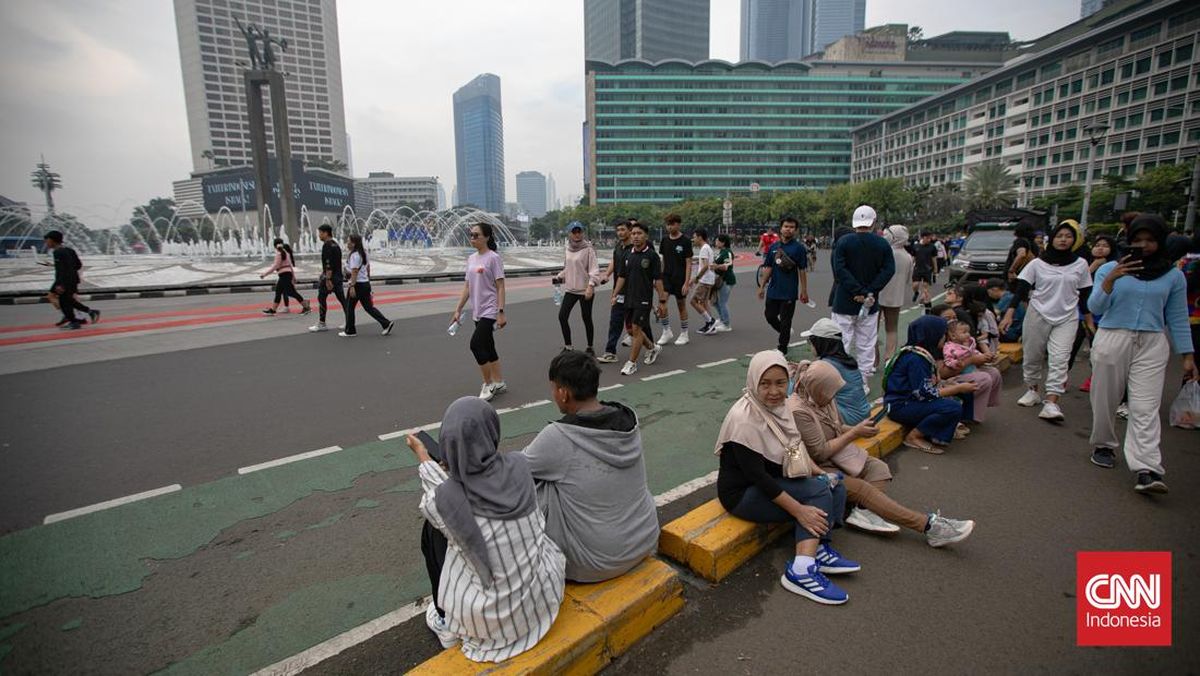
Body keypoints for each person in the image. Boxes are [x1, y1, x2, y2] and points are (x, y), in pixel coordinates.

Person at [408, 397, 566, 661]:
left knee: (433, 531)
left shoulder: (444, 500)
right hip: (542, 597)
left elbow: (440, 492)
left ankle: (446, 624)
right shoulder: (519, 466)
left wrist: (424, 455)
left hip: (493, 623)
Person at [715, 351, 860, 605]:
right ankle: (801, 570)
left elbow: (794, 448)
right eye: (765, 383)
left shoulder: (779, 408)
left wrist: (821, 473)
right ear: (753, 382)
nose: (774, 391)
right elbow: (758, 477)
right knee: (817, 493)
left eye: (780, 383)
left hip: (774, 478)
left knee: (833, 485)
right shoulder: (744, 420)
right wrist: (800, 511)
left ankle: (820, 548)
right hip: (743, 494)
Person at [790, 360, 975, 545]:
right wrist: (854, 433)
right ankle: (928, 526)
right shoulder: (799, 411)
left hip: (838, 457)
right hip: (818, 468)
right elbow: (819, 452)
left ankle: (864, 512)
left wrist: (860, 429)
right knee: (864, 489)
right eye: (830, 392)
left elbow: (837, 427)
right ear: (818, 388)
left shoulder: (824, 399)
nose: (833, 397)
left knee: (878, 468)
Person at [520, 351, 659, 581]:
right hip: (644, 539)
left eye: (554, 388)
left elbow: (513, 470)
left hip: (597, 562)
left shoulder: (559, 436)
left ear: (564, 394)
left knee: (536, 486)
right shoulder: (627, 419)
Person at [1088, 214, 1197, 492]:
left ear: (1161, 242)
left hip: (1152, 342)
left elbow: (1177, 315)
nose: (1144, 246)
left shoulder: (1173, 275)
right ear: (1129, 240)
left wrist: (1187, 354)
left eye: (1150, 241)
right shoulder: (1110, 268)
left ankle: (1146, 467)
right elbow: (1096, 307)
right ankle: (1103, 444)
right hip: (1113, 337)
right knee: (1105, 398)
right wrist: (1110, 279)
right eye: (1138, 240)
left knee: (1145, 406)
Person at [1002, 220, 1092, 423]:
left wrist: (1088, 321)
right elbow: (1021, 289)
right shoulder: (1037, 264)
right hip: (1038, 313)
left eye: (1068, 236)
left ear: (1075, 240)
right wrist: (1009, 313)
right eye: (1059, 236)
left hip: (1067, 317)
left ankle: (1051, 402)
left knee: (1060, 359)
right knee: (1033, 354)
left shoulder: (1081, 264)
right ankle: (1032, 390)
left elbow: (1085, 294)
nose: (1063, 240)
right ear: (1052, 239)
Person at [883, 315, 976, 454]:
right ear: (932, 336)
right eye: (942, 335)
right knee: (951, 407)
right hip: (901, 405)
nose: (945, 338)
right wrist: (956, 388)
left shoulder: (920, 352)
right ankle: (914, 437)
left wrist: (948, 384)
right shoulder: (916, 359)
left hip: (911, 400)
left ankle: (942, 430)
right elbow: (924, 393)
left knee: (963, 392)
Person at [831, 205, 895, 382]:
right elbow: (889, 269)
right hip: (870, 302)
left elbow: (840, 270)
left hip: (844, 300)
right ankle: (863, 381)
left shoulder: (843, 242)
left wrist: (856, 290)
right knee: (866, 343)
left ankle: (839, 380)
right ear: (873, 222)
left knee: (841, 341)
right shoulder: (882, 244)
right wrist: (869, 291)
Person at [451, 223, 507, 400]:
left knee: (475, 344)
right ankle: (499, 382)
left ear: (487, 237)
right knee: (489, 346)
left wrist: (500, 311)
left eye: (476, 235)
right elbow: (467, 286)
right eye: (471, 235)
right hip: (477, 310)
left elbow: (500, 286)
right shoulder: (471, 259)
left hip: (490, 310)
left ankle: (488, 384)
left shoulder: (493, 258)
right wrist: (458, 309)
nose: (472, 238)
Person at [611, 221, 667, 375]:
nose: (635, 236)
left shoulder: (652, 256)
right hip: (628, 297)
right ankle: (652, 348)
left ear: (646, 236)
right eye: (634, 233)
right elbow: (621, 276)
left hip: (643, 299)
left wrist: (662, 302)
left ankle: (632, 363)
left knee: (636, 329)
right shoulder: (628, 254)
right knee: (631, 330)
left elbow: (658, 280)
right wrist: (615, 294)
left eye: (639, 233)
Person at [1070, 234, 1120, 389]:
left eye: (1105, 245)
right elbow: (1076, 283)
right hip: (1080, 312)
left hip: (1102, 316)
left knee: (1097, 349)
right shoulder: (1084, 263)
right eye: (1097, 245)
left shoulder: (1115, 268)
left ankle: (1094, 379)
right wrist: (1093, 267)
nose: (1100, 248)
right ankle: (1061, 377)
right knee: (1070, 346)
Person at [802, 318, 871, 425]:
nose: (810, 345)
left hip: (849, 418)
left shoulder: (825, 366)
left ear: (820, 343)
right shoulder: (847, 360)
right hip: (863, 413)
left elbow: (809, 393)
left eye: (810, 341)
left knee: (802, 404)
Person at [757, 216, 809, 354]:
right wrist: (762, 286)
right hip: (773, 290)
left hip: (789, 292)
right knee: (769, 316)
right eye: (786, 226)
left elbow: (802, 270)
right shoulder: (774, 247)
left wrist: (804, 291)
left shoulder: (799, 249)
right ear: (781, 228)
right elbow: (768, 268)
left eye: (792, 227)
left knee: (786, 320)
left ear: (796, 230)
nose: (788, 229)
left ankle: (782, 348)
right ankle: (784, 331)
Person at [941, 319, 1002, 423]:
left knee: (994, 373)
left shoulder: (968, 343)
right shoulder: (949, 347)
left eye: (968, 332)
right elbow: (948, 361)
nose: (968, 335)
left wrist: (984, 357)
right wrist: (956, 364)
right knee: (984, 378)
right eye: (964, 332)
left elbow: (974, 352)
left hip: (970, 369)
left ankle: (986, 403)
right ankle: (970, 415)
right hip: (956, 375)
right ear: (953, 335)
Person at [555, 222, 601, 356]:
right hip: (571, 290)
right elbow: (568, 268)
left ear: (583, 233)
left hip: (585, 289)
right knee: (562, 316)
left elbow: (594, 269)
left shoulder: (588, 249)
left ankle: (590, 346)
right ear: (569, 233)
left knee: (586, 317)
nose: (577, 234)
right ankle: (568, 346)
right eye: (574, 232)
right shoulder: (567, 248)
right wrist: (559, 276)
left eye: (579, 231)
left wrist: (591, 286)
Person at [339, 234, 394, 338]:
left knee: (349, 307)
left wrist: (352, 286)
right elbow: (368, 268)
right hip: (364, 283)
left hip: (357, 284)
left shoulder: (355, 255)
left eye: (348, 241)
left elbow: (354, 271)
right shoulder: (363, 253)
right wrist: (368, 281)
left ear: (354, 243)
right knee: (369, 307)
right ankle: (386, 323)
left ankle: (350, 331)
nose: (347, 243)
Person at [43, 230, 98, 330]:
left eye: (47, 240)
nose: (46, 243)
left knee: (64, 301)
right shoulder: (69, 250)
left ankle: (74, 322)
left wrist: (60, 284)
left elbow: (62, 270)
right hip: (73, 279)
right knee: (68, 300)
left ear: (52, 240)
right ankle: (90, 312)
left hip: (64, 281)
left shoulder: (58, 252)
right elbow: (78, 265)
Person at [598, 220, 633, 363]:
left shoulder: (634, 249)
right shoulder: (619, 247)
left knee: (635, 327)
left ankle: (651, 347)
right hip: (619, 291)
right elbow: (614, 261)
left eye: (623, 229)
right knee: (615, 322)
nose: (620, 232)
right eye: (618, 230)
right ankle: (610, 351)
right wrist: (606, 274)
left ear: (630, 230)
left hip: (633, 292)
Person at [657, 213, 693, 346]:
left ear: (678, 224)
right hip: (666, 277)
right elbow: (663, 260)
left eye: (672, 224)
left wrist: (687, 282)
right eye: (667, 224)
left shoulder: (685, 241)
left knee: (681, 305)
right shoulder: (665, 240)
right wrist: (659, 277)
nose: (669, 227)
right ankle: (666, 331)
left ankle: (684, 333)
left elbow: (689, 263)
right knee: (662, 303)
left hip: (680, 278)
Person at [879, 225, 914, 362]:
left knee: (871, 329)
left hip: (879, 294)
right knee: (892, 328)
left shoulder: (884, 252)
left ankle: (873, 359)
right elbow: (908, 280)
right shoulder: (908, 257)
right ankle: (889, 357)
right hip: (896, 296)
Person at [308, 225, 346, 332]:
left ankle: (322, 323)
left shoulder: (327, 246)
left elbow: (328, 263)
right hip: (338, 276)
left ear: (326, 233)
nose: (319, 235)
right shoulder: (335, 244)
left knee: (321, 298)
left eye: (320, 233)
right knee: (342, 299)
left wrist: (328, 279)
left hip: (331, 277)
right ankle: (349, 320)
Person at [260, 238, 310, 316]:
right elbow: (290, 266)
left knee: (291, 292)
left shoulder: (279, 253)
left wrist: (264, 274)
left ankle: (306, 306)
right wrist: (293, 276)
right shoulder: (286, 253)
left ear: (274, 246)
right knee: (279, 291)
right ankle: (273, 310)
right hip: (287, 274)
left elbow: (275, 266)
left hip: (284, 275)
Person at [689, 228, 722, 335]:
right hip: (709, 279)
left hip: (704, 280)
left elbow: (705, 266)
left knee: (693, 301)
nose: (693, 239)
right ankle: (710, 326)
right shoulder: (707, 248)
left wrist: (696, 278)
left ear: (700, 237)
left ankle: (710, 321)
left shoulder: (704, 249)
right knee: (704, 303)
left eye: (694, 237)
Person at [711, 233, 736, 333]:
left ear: (723, 242)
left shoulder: (727, 252)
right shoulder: (721, 252)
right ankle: (722, 319)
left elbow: (727, 266)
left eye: (717, 241)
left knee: (722, 302)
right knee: (715, 302)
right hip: (720, 280)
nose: (715, 242)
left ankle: (726, 324)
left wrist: (714, 266)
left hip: (726, 280)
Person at [910, 231, 938, 306]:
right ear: (922, 237)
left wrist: (935, 269)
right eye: (927, 238)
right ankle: (916, 292)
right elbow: (913, 257)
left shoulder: (932, 247)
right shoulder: (916, 246)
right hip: (918, 268)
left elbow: (934, 258)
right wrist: (910, 266)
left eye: (930, 238)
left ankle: (923, 300)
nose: (929, 240)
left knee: (925, 287)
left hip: (928, 269)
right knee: (915, 285)